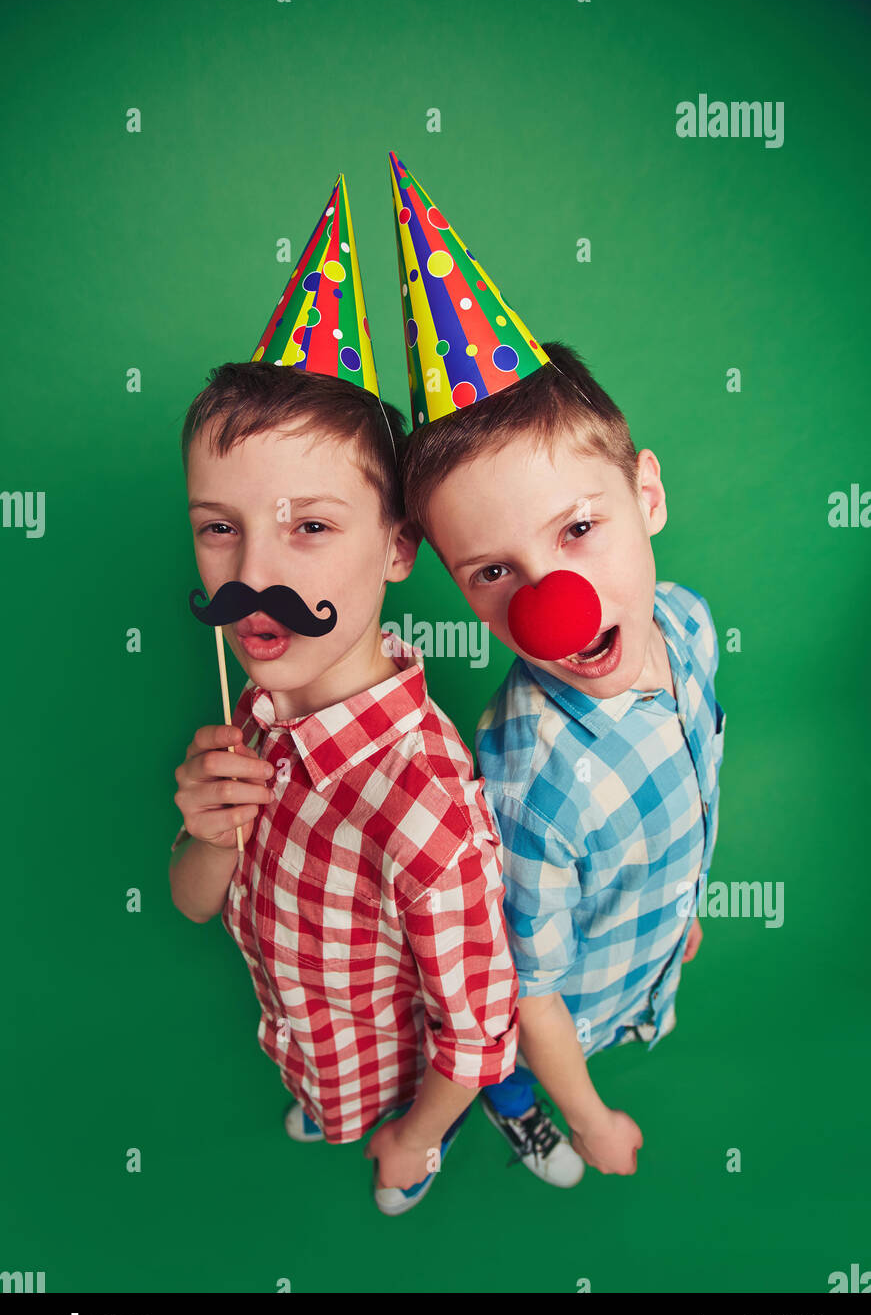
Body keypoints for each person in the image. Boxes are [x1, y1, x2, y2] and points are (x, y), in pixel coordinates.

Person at [169, 175, 519, 1216]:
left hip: (402, 1083)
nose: (248, 573)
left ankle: (426, 1135)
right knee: (320, 1101)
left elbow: (476, 1021)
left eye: (310, 527)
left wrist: (410, 1136)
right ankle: (324, 1101)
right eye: (218, 525)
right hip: (304, 1043)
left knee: (418, 1121)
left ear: (399, 546)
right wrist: (208, 829)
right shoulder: (254, 705)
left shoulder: (424, 798)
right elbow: (195, 902)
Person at [391, 153, 726, 1184]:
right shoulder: (539, 780)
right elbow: (523, 988)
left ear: (647, 495)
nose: (550, 602)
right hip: (549, 1012)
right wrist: (591, 1121)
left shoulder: (690, 625)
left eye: (580, 528)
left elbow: (691, 769)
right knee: (495, 1038)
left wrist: (678, 907)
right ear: (456, 581)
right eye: (495, 572)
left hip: (637, 951)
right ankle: (512, 1105)